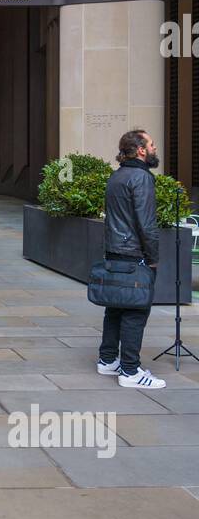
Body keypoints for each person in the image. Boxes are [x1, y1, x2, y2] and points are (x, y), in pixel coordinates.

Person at [96, 129, 165, 390]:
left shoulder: (117, 176)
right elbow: (146, 224)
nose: (155, 148)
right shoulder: (141, 177)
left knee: (114, 308)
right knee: (136, 312)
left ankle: (107, 360)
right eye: (152, 144)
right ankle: (130, 371)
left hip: (114, 251)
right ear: (141, 150)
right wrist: (153, 258)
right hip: (134, 254)